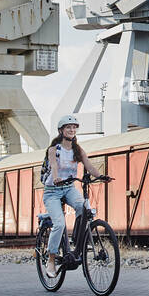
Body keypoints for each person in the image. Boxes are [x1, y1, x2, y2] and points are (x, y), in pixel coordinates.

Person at [41, 115, 102, 277]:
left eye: (74, 127)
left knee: (85, 210)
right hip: (52, 191)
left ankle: (77, 241)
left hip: (69, 188)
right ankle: (51, 260)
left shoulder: (78, 150)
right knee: (60, 224)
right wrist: (55, 177)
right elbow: (54, 165)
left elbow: (89, 166)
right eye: (68, 127)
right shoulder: (54, 149)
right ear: (61, 130)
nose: (72, 130)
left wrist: (102, 176)